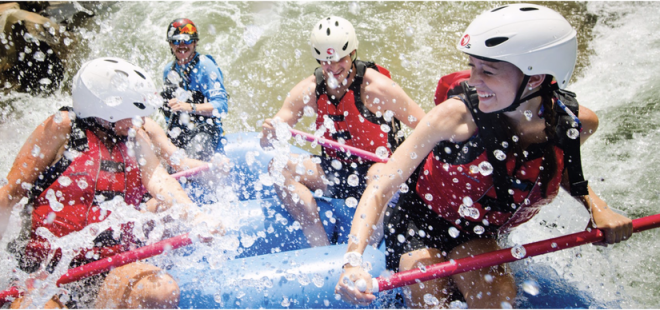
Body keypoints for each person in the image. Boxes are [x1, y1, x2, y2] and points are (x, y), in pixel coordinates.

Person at [335, 4, 633, 308]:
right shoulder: (454, 117)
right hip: (421, 221)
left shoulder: (575, 124)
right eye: (473, 66)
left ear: (535, 78)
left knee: (497, 297)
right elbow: (382, 184)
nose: (473, 81)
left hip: (477, 232)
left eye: (488, 72)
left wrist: (597, 207)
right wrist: (352, 262)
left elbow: (554, 168)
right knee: (430, 294)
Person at [0, 57, 220, 309]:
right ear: (105, 111)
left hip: (109, 264)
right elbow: (5, 198)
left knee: (161, 291)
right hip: (46, 270)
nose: (140, 121)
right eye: (132, 114)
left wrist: (196, 217)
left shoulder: (135, 136)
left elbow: (161, 181)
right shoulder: (60, 129)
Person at [260, 16, 424, 247]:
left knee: (377, 173)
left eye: (340, 59)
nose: (334, 67)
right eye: (326, 61)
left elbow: (426, 127)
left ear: (353, 53)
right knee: (278, 166)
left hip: (380, 173)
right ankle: (320, 246)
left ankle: (369, 249)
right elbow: (266, 143)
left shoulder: (378, 87)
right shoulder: (309, 89)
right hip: (338, 171)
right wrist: (268, 133)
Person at [160, 18, 228, 162]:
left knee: (190, 159)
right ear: (170, 44)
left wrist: (190, 107)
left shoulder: (206, 66)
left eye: (187, 40)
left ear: (195, 42)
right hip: (181, 132)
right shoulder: (169, 70)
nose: (182, 45)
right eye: (176, 41)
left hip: (206, 130)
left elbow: (222, 107)